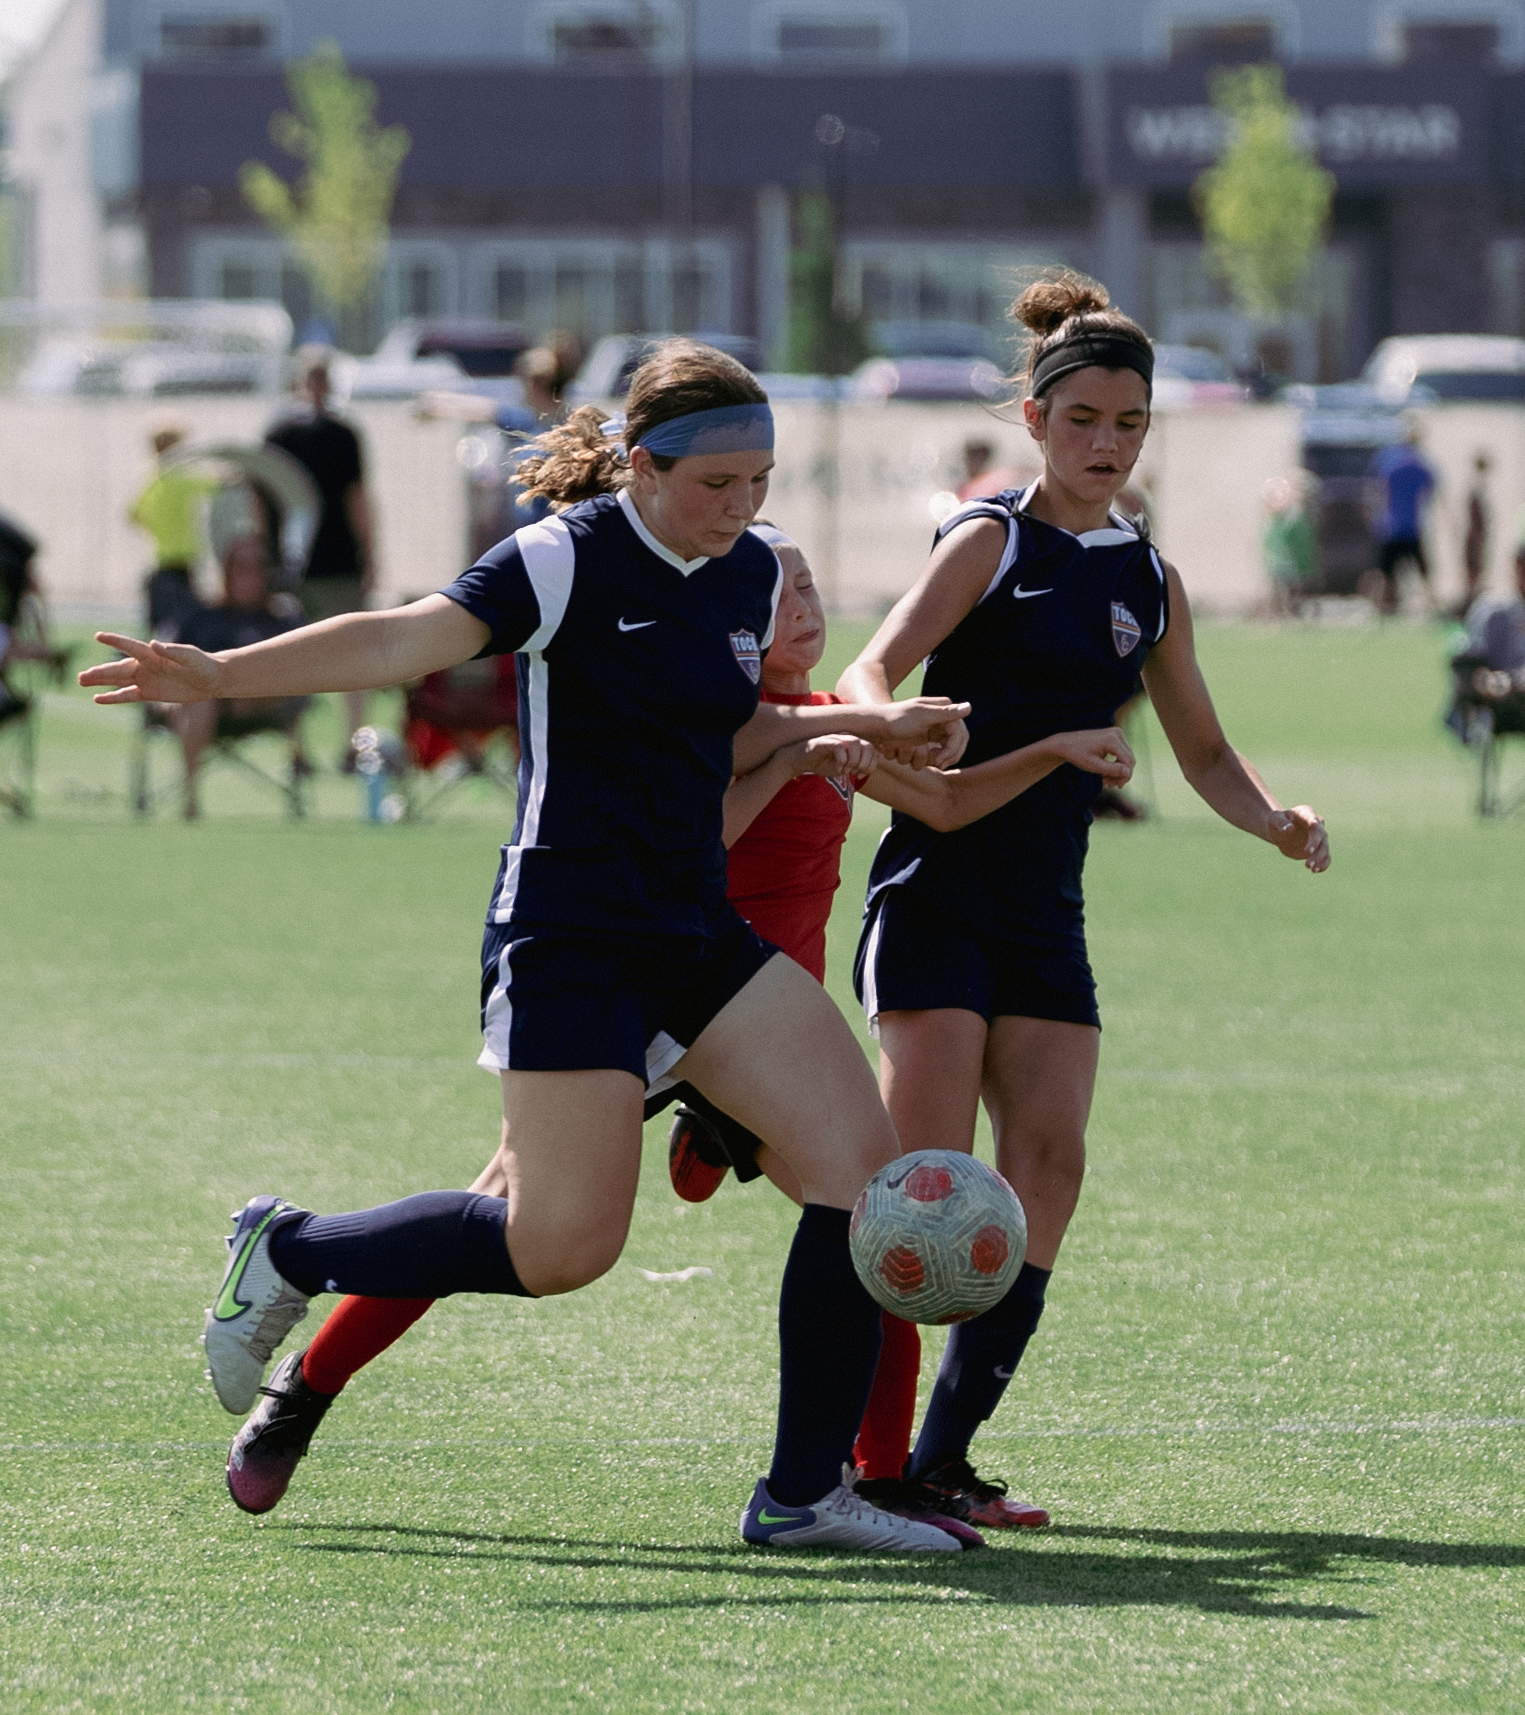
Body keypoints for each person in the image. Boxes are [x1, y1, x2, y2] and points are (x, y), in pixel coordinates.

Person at [81, 339, 980, 1555]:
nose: (742, 508)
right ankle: (288, 1243)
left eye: (760, 483)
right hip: (569, 932)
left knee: (855, 1171)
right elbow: (402, 638)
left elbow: (723, 723)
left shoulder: (748, 571)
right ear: (644, 467)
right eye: (718, 485)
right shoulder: (563, 557)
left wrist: (859, 724)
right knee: (560, 1246)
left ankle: (803, 1492)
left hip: (694, 923)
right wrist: (223, 671)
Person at [834, 270, 1330, 1530]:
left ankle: (940, 1456)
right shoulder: (988, 539)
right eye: (1084, 420)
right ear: (1037, 418)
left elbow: (1204, 753)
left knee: (1047, 1168)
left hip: (1044, 913)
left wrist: (1271, 817)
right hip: (937, 891)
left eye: (1129, 424)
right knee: (924, 1189)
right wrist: (884, 721)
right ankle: (863, 1467)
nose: (1106, 445)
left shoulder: (1148, 582)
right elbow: (871, 661)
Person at [265, 346, 375, 761]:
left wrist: (371, 554)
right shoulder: (279, 433)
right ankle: (297, 747)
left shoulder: (344, 435)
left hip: (338, 560)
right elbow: (265, 494)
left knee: (354, 655)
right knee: (290, 658)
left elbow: (357, 498)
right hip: (292, 565)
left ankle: (354, 742)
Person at [170, 536, 310, 819]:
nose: (248, 577)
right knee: (197, 699)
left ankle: (300, 766)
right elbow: (173, 662)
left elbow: (304, 669)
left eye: (256, 568)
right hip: (208, 707)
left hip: (265, 708)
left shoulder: (284, 621)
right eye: (240, 568)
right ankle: (190, 798)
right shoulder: (203, 619)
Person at [129, 415, 216, 639]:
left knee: (160, 629)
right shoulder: (179, 478)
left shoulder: (151, 478)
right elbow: (216, 485)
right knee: (186, 629)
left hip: (160, 562)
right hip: (180, 562)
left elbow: (133, 514)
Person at [1365, 420, 1436, 617]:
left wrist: (1374, 518)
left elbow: (1375, 491)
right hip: (1411, 526)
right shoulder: (1421, 464)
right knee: (1423, 571)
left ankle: (1381, 608)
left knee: (1386, 573)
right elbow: (1430, 494)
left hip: (1390, 526)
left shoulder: (1388, 461)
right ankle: (1431, 607)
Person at [1262, 471, 1316, 619]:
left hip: (1298, 559)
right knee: (1279, 588)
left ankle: (1293, 614)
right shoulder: (1285, 514)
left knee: (1295, 589)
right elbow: (1280, 537)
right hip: (1283, 558)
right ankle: (1274, 615)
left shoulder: (1302, 515)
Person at [1459, 452, 1492, 619]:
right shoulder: (1476, 487)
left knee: (1477, 573)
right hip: (1475, 537)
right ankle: (1469, 607)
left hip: (1478, 537)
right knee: (1473, 573)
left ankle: (1471, 605)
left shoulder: (1480, 486)